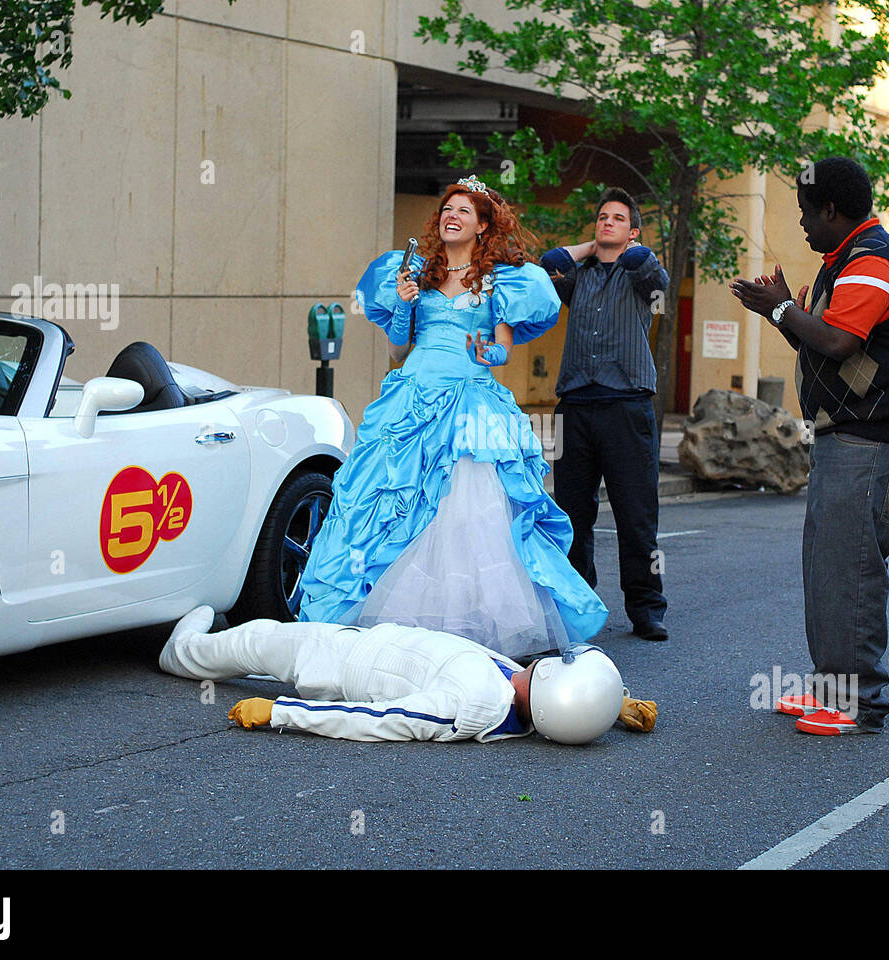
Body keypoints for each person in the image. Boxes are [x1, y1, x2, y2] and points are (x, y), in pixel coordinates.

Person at [296, 177, 608, 662]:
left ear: (482, 225)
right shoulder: (416, 274)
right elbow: (401, 349)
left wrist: (483, 349)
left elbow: (502, 351)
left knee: (465, 513)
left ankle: (466, 628)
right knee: (389, 502)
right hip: (412, 398)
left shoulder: (499, 281)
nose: (452, 216)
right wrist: (402, 304)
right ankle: (389, 628)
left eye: (464, 210)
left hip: (468, 403)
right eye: (447, 208)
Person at [729, 157, 889, 736]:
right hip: (848, 434)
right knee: (828, 564)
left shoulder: (872, 259)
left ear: (830, 209)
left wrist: (779, 308)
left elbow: (841, 342)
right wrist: (782, 314)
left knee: (850, 566)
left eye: (803, 213)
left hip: (879, 438)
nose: (800, 224)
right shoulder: (841, 261)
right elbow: (819, 344)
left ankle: (857, 700)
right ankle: (829, 686)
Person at [158, 606, 657, 743]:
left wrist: (282, 712)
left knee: (250, 643)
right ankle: (195, 641)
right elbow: (569, 703)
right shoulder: (523, 701)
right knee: (259, 640)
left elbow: (374, 719)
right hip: (362, 645)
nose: (546, 662)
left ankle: (178, 650)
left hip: (336, 663)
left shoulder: (464, 708)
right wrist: (610, 705)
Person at [540, 188, 670, 642]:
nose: (606, 222)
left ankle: (646, 608)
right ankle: (579, 605)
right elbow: (547, 262)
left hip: (627, 406)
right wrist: (591, 248)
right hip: (576, 405)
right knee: (572, 514)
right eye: (601, 217)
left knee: (637, 515)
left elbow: (649, 271)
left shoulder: (642, 273)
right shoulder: (580, 276)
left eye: (617, 218)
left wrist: (625, 247)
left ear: (633, 231)